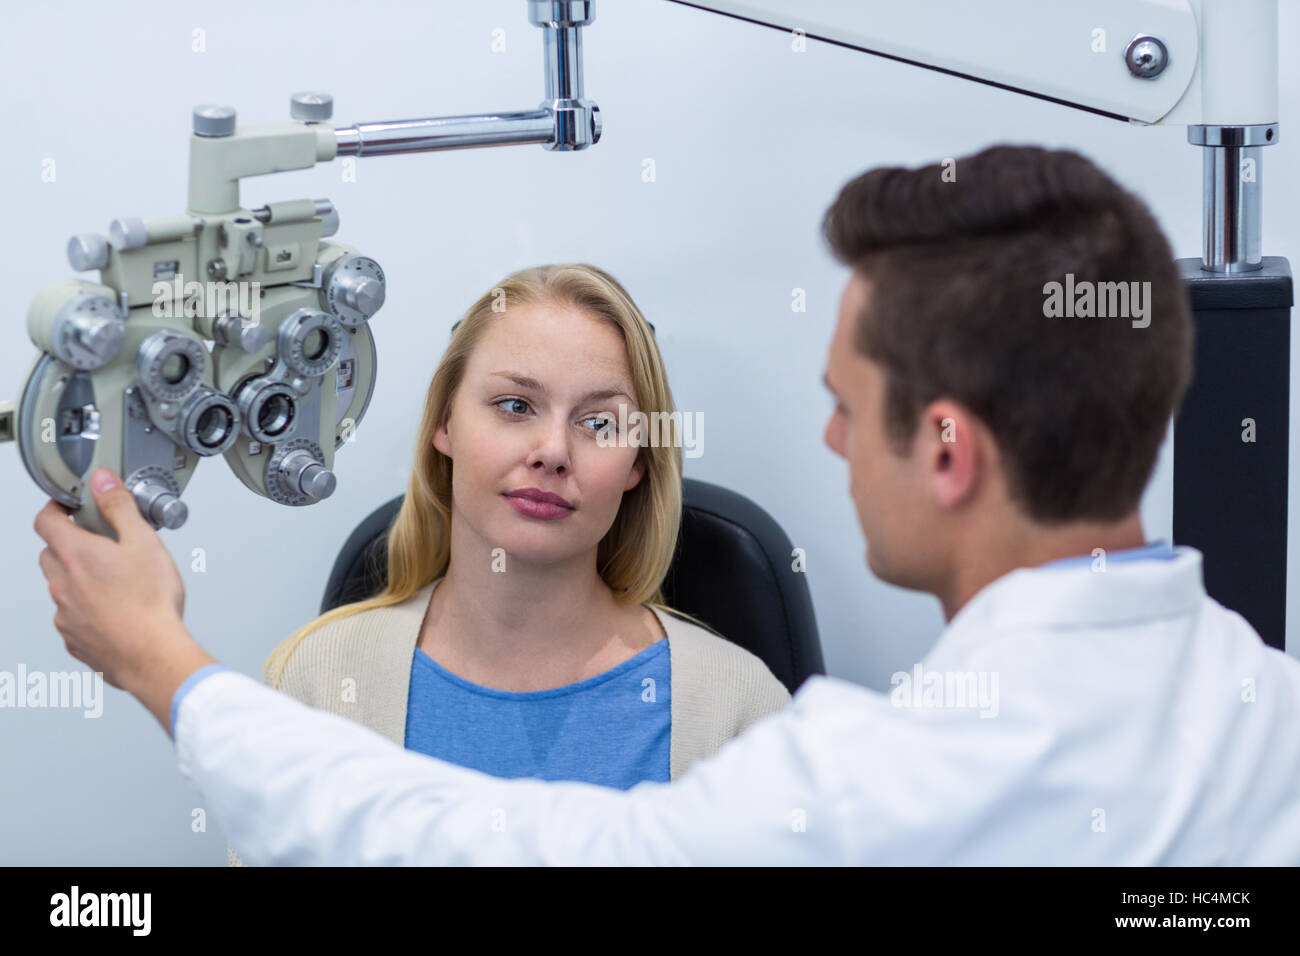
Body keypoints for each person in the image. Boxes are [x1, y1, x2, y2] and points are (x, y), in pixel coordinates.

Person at [34, 144, 1300, 865]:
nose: (828, 439)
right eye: (511, 406)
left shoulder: (872, 785)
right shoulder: (1267, 715)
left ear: (949, 450)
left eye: (848, 405)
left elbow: (471, 848)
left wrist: (159, 658)